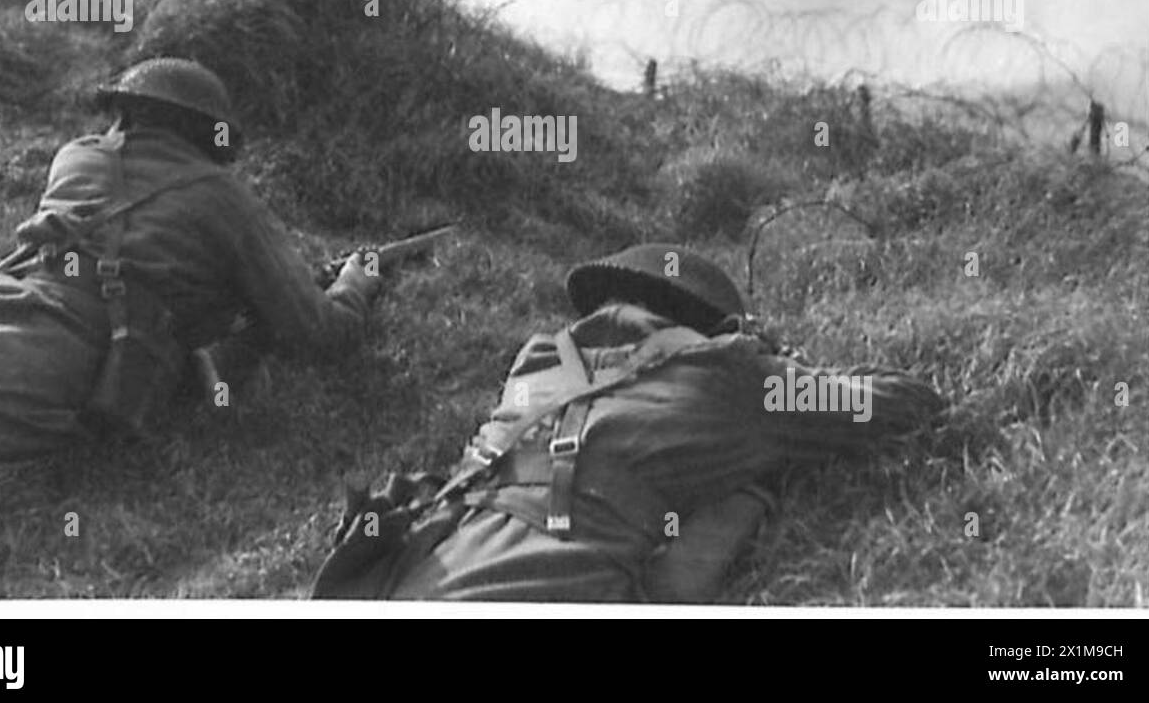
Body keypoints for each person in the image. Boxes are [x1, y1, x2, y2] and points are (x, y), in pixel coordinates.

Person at [0, 57, 381, 535]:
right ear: (205, 134)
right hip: (49, 349)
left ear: (127, 112)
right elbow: (319, 333)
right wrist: (355, 280)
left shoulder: (76, 154)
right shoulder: (222, 196)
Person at [312, 243, 944, 603]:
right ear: (712, 324)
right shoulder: (727, 373)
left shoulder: (540, 364)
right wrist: (777, 366)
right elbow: (906, 403)